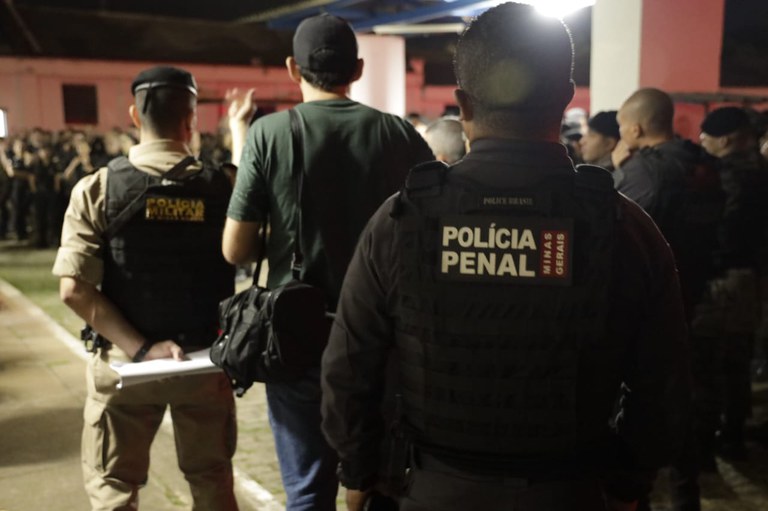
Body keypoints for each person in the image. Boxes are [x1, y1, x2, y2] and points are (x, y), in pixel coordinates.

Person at [320, 4, 692, 511]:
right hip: (575, 492)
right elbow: (663, 386)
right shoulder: (626, 227)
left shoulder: (400, 220)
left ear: (462, 104)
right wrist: (629, 484)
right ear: (565, 97)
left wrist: (359, 470)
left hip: (432, 489)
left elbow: (347, 369)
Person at [222, 14, 433, 511]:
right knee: (380, 483)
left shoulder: (270, 133)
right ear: (357, 69)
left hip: (297, 333)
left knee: (307, 490)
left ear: (293, 69)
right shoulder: (398, 133)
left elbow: (235, 249)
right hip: (381, 335)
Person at [53, 66, 239, 511]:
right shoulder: (224, 187)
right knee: (212, 483)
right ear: (191, 119)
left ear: (135, 115)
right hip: (203, 363)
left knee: (113, 488)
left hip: (125, 368)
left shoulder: (97, 188)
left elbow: (73, 289)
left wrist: (141, 349)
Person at [698, 106, 768, 459]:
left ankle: (712, 441)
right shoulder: (761, 170)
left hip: (725, 276)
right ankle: (734, 435)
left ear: (723, 140)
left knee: (713, 361)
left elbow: (722, 229)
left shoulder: (729, 176)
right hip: (751, 277)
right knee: (738, 362)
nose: (702, 146)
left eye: (705, 139)